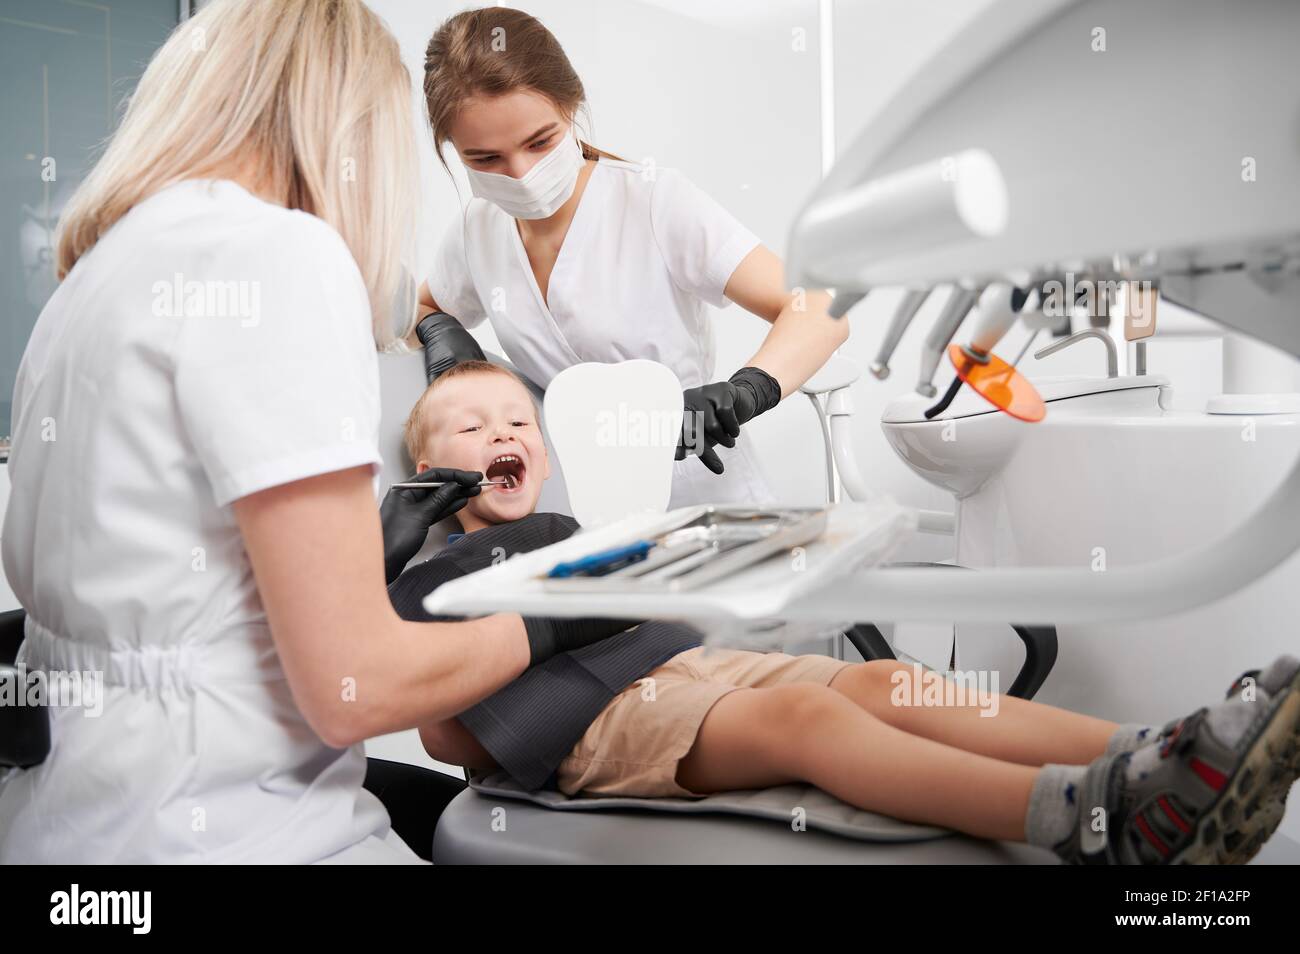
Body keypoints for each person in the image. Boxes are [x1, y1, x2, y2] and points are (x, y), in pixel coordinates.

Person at [0, 0, 628, 864]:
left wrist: (355, 557)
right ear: (347, 125)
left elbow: (174, 580)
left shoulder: (93, 275)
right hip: (230, 833)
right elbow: (352, 688)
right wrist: (556, 620)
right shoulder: (277, 256)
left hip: (72, 828)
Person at [386, 359, 1300, 865]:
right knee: (807, 717)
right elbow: (445, 743)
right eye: (471, 428)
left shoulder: (572, 532)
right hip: (592, 728)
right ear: (428, 471)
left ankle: (1161, 754)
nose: (505, 434)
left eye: (520, 421)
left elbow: (664, 623)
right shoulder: (426, 578)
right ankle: (1088, 816)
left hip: (682, 674)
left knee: (888, 679)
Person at [415, 7, 850, 510]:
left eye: (541, 141)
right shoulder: (476, 230)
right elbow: (425, 309)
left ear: (572, 104)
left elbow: (819, 309)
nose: (520, 173)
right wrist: (441, 337)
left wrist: (744, 391)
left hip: (706, 499)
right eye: (484, 158)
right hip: (579, 509)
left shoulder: (651, 201)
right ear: (452, 148)